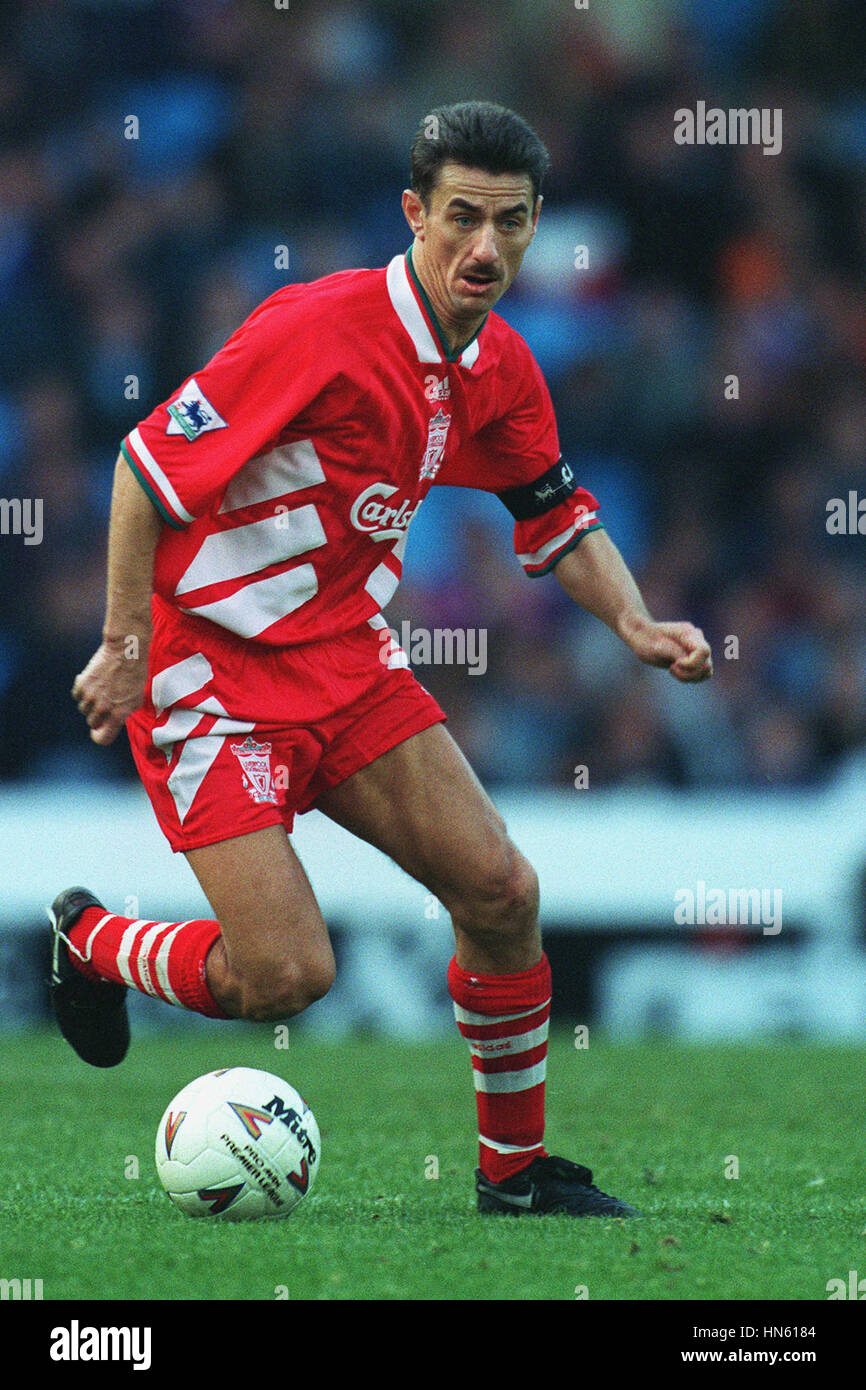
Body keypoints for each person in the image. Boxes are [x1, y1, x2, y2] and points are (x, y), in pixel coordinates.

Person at [50, 102, 711, 1218]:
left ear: (537, 225)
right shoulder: (318, 327)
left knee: (500, 889)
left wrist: (635, 625)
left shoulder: (500, 366)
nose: (484, 248)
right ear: (414, 213)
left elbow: (553, 513)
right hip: (210, 672)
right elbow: (142, 467)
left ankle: (514, 1174)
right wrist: (122, 646)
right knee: (288, 977)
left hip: (346, 663)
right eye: (461, 218)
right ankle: (95, 940)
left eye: (509, 223)